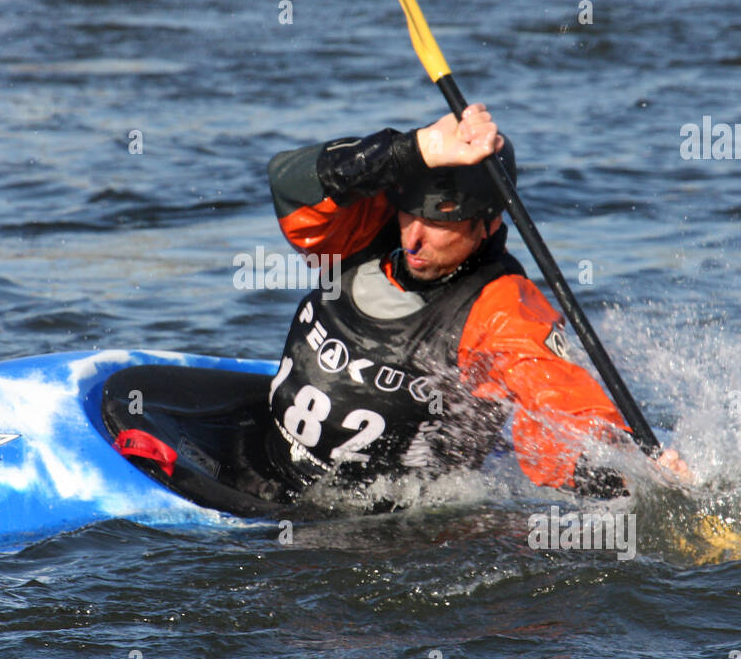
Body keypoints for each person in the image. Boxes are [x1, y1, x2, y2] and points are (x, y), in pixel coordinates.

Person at [262, 103, 688, 501]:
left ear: (489, 223)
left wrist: (620, 470)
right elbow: (288, 182)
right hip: (264, 460)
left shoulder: (500, 309)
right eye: (411, 212)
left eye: (439, 221)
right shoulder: (369, 226)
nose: (414, 238)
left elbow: (557, 408)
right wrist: (409, 150)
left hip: (377, 527)